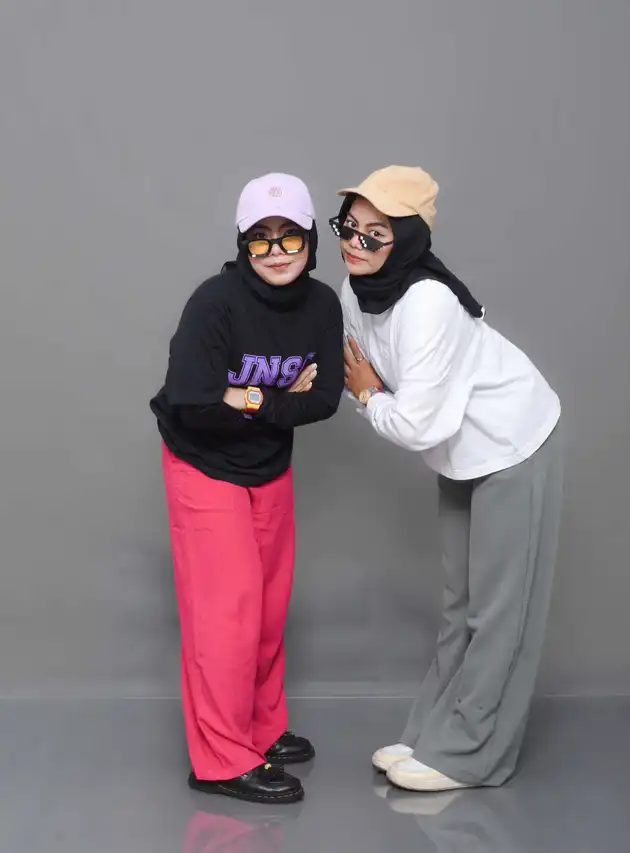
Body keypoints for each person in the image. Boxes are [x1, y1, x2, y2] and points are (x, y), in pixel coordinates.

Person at [332, 165, 562, 792]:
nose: (355, 243)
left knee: (499, 611)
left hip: (512, 443)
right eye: (349, 227)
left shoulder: (427, 301)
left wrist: (370, 396)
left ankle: (471, 754)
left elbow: (413, 421)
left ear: (406, 238)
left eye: (375, 234)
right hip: (460, 453)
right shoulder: (356, 290)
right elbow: (362, 374)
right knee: (460, 604)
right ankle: (435, 733)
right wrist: (371, 392)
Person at [150, 173, 343, 804]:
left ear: (311, 239)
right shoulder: (215, 303)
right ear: (243, 244)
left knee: (266, 609)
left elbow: (325, 400)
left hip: (269, 463)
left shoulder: (322, 306)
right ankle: (221, 758)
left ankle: (260, 728)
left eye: (290, 236)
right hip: (203, 463)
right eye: (261, 238)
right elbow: (193, 401)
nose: (277, 251)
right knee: (225, 616)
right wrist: (275, 399)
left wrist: (244, 398)